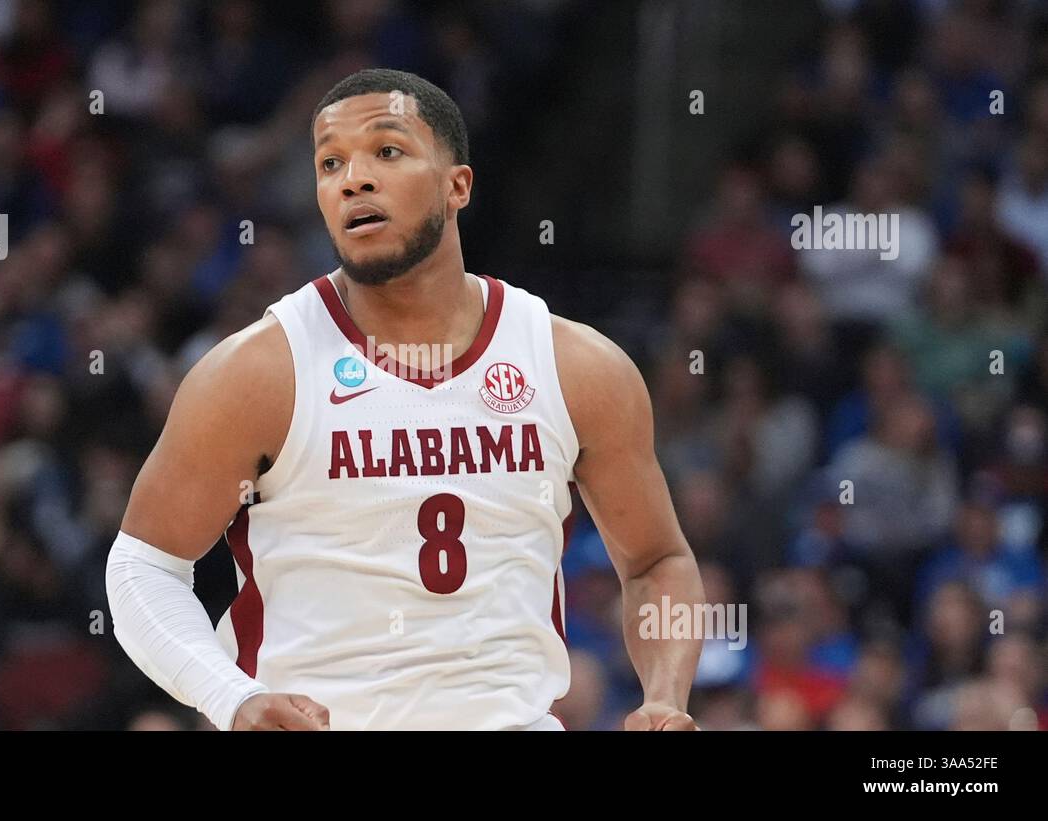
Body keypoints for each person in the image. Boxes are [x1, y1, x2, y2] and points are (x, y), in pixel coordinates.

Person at [106, 68, 704, 731]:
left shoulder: (576, 367)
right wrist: (231, 695)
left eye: (386, 151)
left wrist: (665, 695)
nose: (353, 178)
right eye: (331, 162)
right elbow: (144, 566)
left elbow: (658, 560)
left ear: (458, 186)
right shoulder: (261, 371)